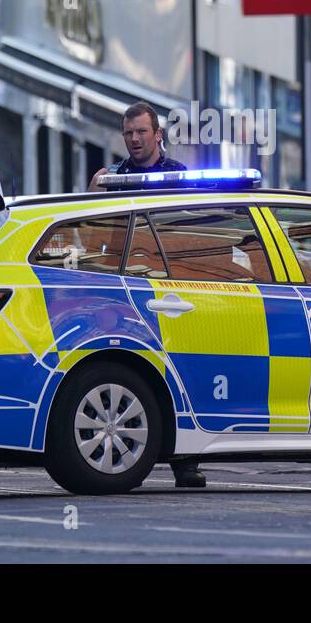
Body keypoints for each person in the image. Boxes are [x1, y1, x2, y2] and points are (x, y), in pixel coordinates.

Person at [88, 102, 205, 489]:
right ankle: (124, 461)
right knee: (127, 371)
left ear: (158, 134)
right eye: (128, 134)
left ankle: (186, 463)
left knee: (181, 372)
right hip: (124, 287)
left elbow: (190, 240)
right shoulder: (113, 177)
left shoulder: (179, 177)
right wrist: (93, 197)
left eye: (141, 132)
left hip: (172, 288)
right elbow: (97, 240)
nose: (135, 140)